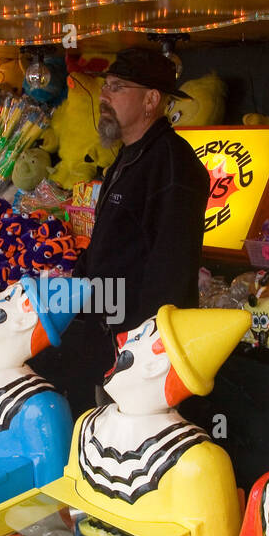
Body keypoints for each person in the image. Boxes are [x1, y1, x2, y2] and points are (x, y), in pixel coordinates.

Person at [32, 46, 211, 414]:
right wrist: (72, 286)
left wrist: (143, 347)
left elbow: (171, 270)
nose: (104, 96)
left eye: (117, 87)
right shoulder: (126, 157)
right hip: (111, 337)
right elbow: (110, 248)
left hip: (144, 352)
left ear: (151, 100)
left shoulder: (174, 165)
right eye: (105, 86)